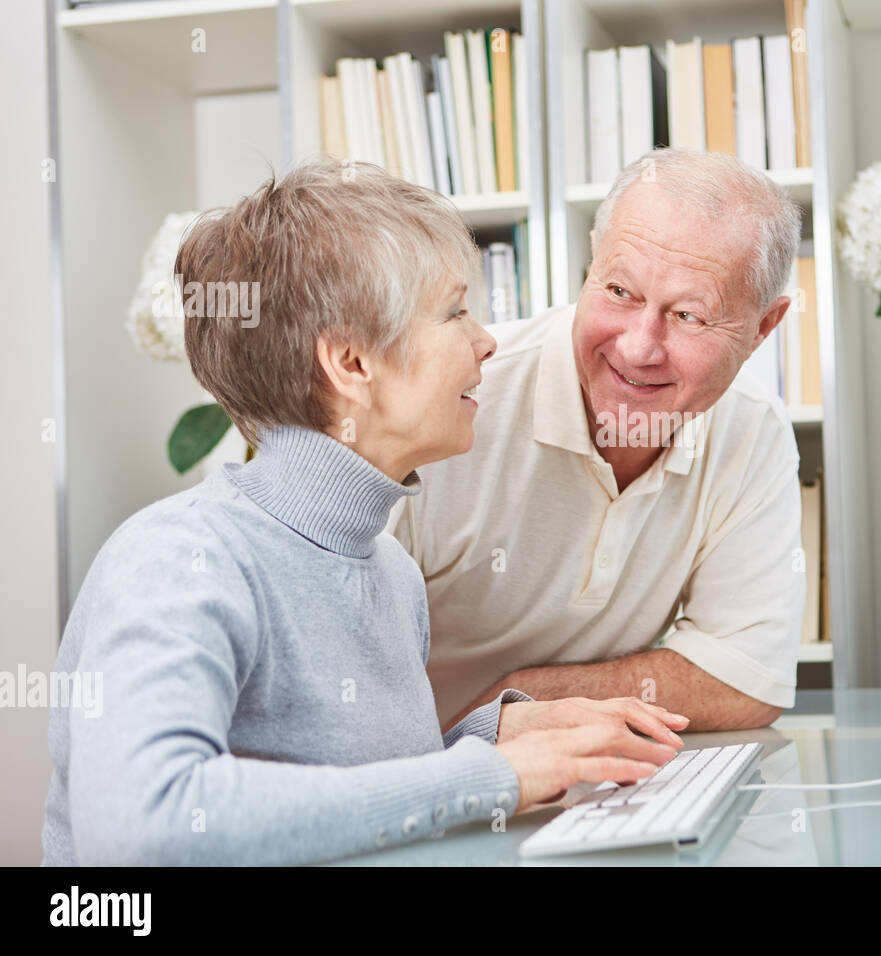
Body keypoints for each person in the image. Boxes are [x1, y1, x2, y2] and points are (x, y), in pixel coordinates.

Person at [41, 157, 686, 866]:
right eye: (454, 310)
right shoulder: (178, 557)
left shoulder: (388, 568)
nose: (487, 341)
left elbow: (351, 795)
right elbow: (143, 823)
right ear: (350, 363)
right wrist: (489, 776)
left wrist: (494, 739)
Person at [388, 149, 805, 732]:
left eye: (687, 315)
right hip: (404, 787)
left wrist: (524, 696)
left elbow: (748, 678)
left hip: (579, 789)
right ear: (591, 261)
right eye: (619, 292)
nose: (638, 348)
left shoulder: (751, 430)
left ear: (764, 326)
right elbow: (325, 679)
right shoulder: (454, 398)